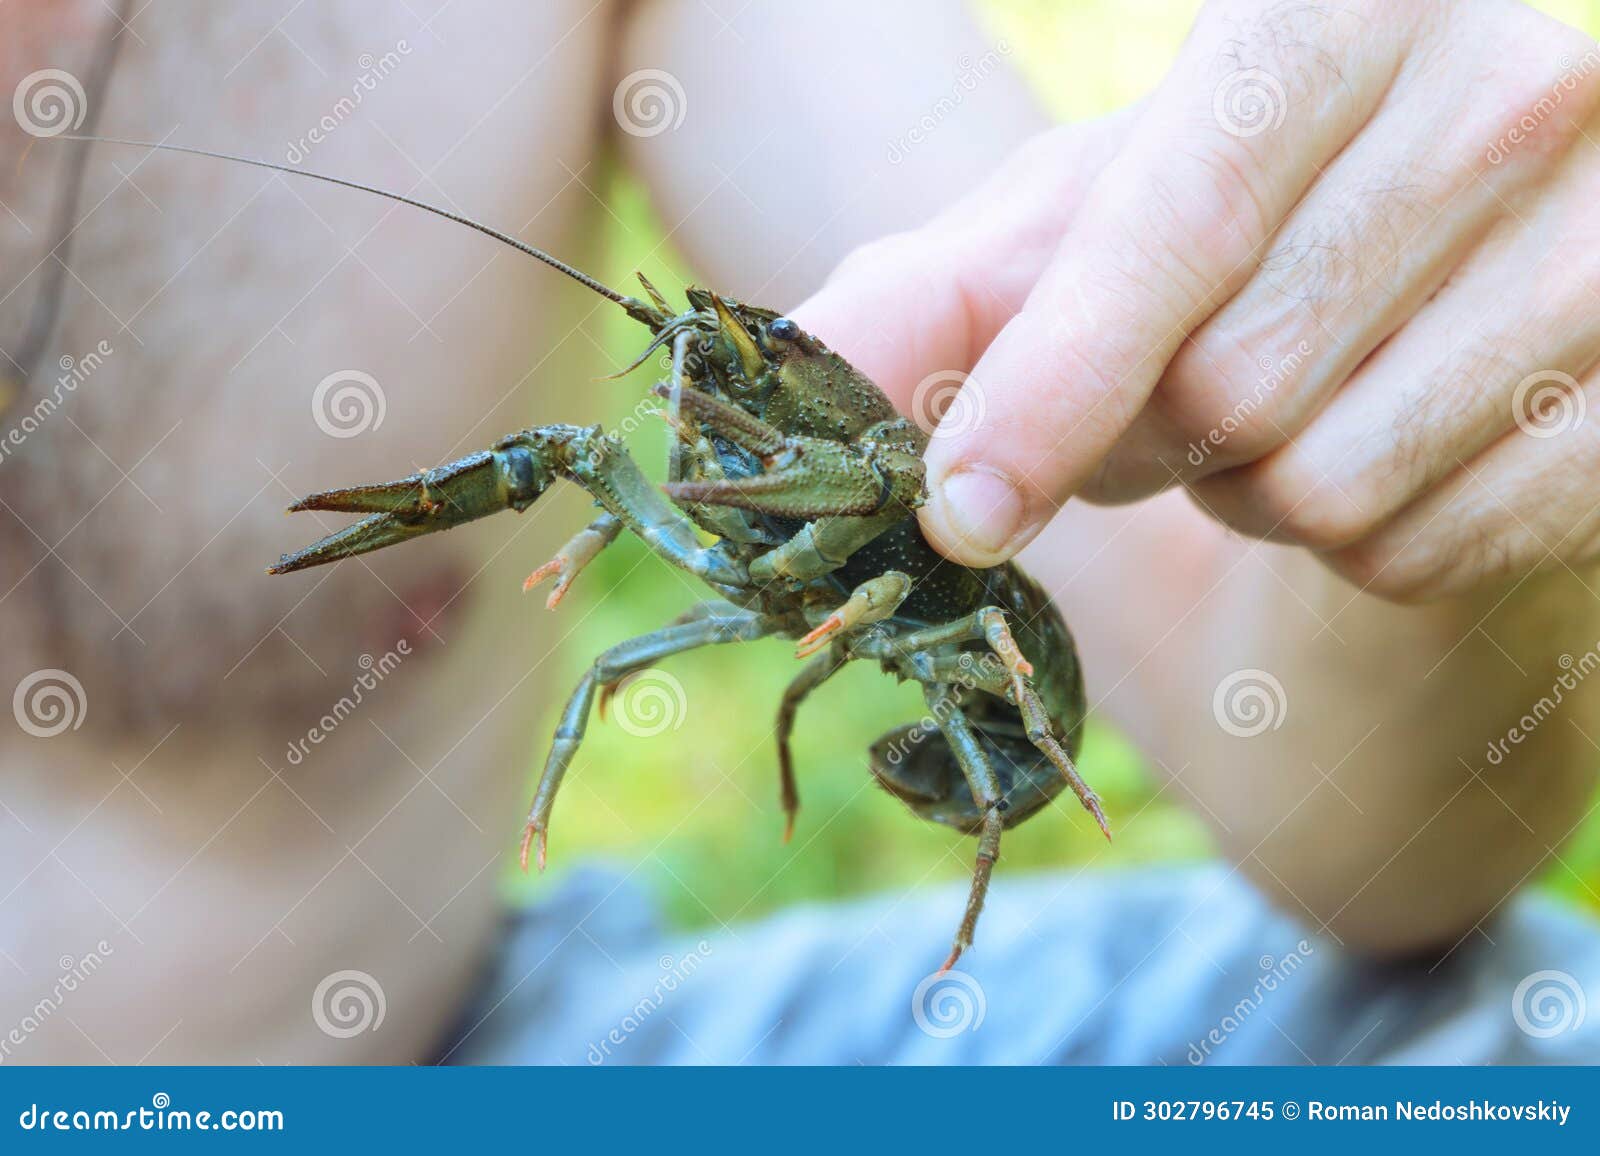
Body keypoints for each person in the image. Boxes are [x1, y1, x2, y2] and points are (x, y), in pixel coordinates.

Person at [1, 0, 1596, 1065]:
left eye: (739, 362)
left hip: (479, 1054)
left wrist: (1464, 442)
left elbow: (1352, 824)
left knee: (1514, 1025)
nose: (699, 387)